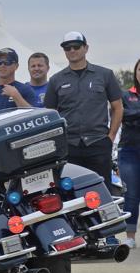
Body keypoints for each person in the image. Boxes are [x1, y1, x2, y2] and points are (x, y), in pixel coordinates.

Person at [44, 31, 123, 192]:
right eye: (67, 48)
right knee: (71, 193)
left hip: (98, 143)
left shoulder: (105, 75)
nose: (72, 50)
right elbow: (49, 115)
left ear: (86, 48)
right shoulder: (56, 80)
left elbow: (118, 107)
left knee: (102, 192)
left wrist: (110, 137)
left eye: (76, 46)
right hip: (69, 146)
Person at [118, 58, 140, 249]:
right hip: (129, 151)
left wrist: (135, 114)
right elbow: (122, 114)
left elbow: (132, 115)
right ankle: (130, 236)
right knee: (131, 194)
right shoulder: (125, 95)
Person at [0, 48, 36, 115]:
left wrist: (16, 96)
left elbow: (33, 116)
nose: (2, 65)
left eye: (7, 62)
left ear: (16, 66)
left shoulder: (26, 90)